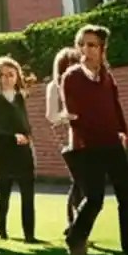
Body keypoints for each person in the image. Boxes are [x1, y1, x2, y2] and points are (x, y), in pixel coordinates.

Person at [62, 25, 128, 255]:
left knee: (127, 197)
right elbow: (75, 115)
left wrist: (122, 131)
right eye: (83, 45)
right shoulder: (72, 77)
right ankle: (76, 236)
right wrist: (88, 138)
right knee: (95, 199)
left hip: (112, 143)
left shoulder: (107, 77)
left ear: (102, 49)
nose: (86, 50)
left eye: (92, 45)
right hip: (87, 146)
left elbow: (115, 105)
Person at [0, 56, 37, 242]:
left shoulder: (20, 97)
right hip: (2, 149)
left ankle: (29, 234)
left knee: (28, 194)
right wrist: (12, 136)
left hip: (22, 149)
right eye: (2, 75)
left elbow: (24, 121)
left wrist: (28, 136)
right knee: (4, 192)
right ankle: (2, 228)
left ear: (16, 76)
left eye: (10, 75)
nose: (6, 78)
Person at [45, 46, 84, 233]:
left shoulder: (86, 82)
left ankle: (77, 221)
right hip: (72, 139)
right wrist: (67, 115)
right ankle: (73, 221)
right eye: (66, 66)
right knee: (79, 180)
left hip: (92, 136)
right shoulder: (54, 87)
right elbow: (52, 116)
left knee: (85, 182)